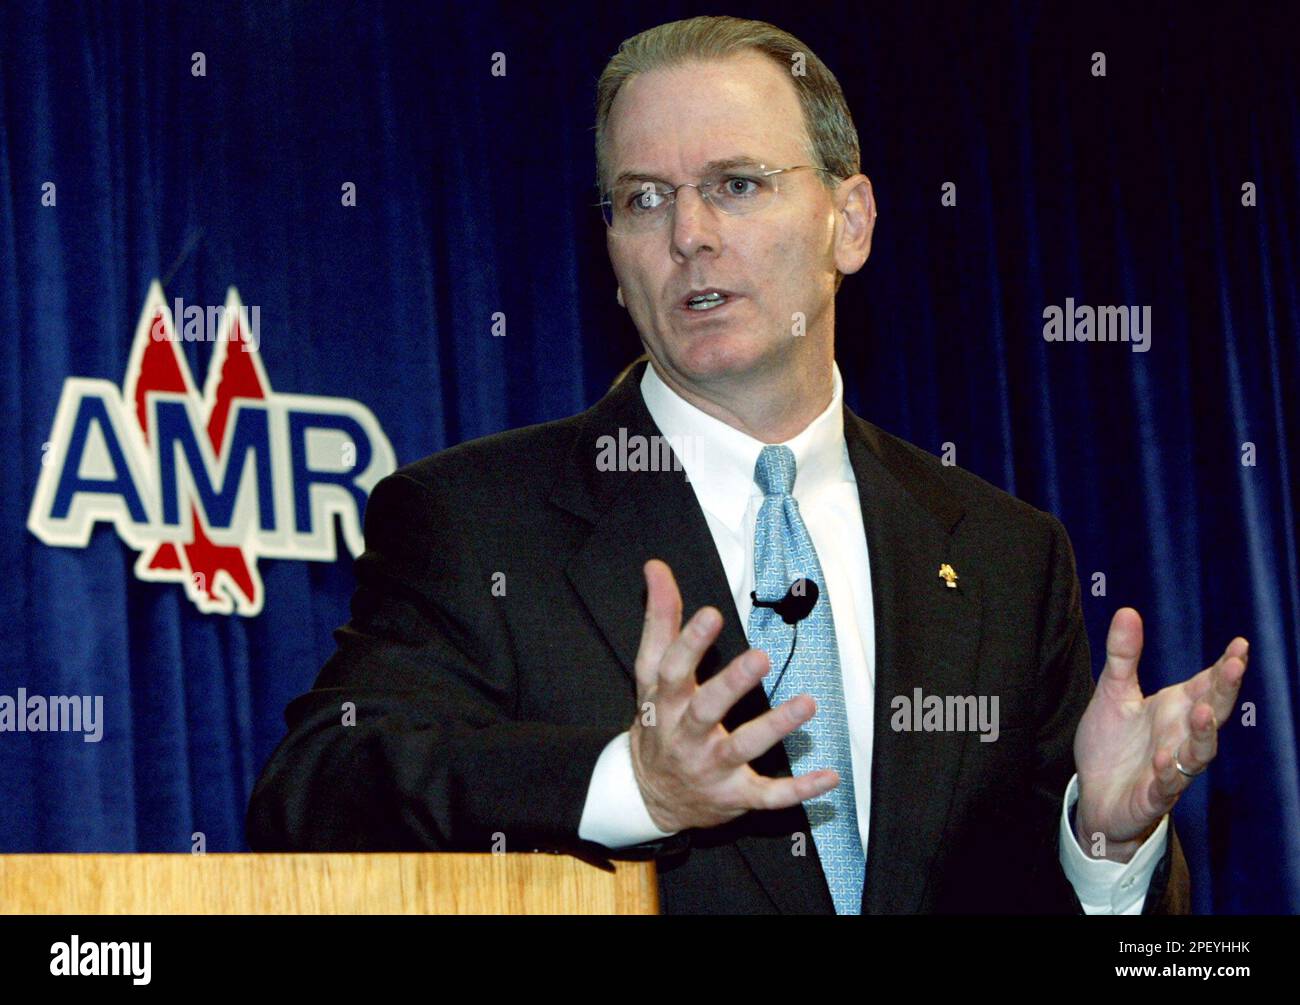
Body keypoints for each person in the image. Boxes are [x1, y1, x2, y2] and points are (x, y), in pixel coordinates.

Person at [247, 15, 1248, 914]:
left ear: (847, 223)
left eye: (736, 185)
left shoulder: (1000, 552)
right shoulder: (475, 519)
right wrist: (632, 787)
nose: (689, 235)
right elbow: (315, 789)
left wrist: (1103, 838)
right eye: (643, 200)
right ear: (611, 250)